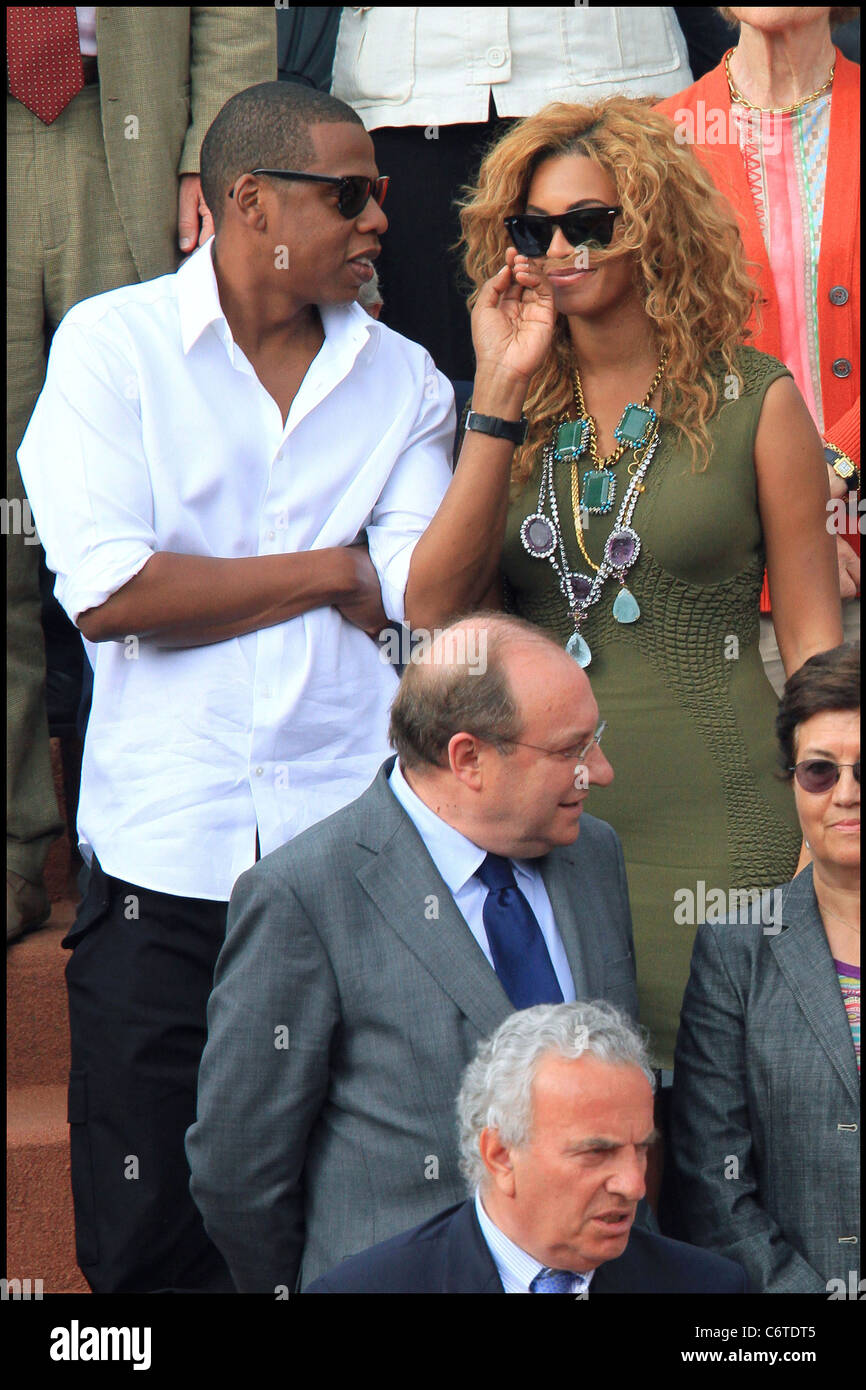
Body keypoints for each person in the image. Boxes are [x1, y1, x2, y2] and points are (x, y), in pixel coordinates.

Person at [16, 81, 553, 1293]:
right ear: (246, 201)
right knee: (145, 1239)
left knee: (355, 1222)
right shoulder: (114, 347)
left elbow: (428, 600)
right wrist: (331, 568)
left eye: (377, 195)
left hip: (344, 868)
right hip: (164, 866)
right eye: (350, 194)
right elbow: (109, 593)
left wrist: (499, 398)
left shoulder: (408, 379)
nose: (379, 218)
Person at [457, 95, 844, 1070]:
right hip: (550, 834)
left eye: (590, 223)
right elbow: (430, 614)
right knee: (584, 1143)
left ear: (653, 228)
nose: (561, 248)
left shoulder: (754, 399)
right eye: (533, 228)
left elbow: (812, 650)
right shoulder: (507, 414)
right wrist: (495, 399)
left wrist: (819, 844)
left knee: (728, 1143)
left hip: (730, 828)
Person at [186, 614, 640, 1292]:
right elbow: (238, 1167)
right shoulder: (305, 895)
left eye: (594, 741)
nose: (598, 771)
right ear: (468, 759)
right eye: (571, 750)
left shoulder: (592, 855)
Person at [6, 5, 277, 944]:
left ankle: (138, 860)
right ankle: (10, 854)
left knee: (155, 521)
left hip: (133, 129)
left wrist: (218, 148)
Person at [656, 5, 860, 697]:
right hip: (732, 579)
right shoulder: (657, 141)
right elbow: (653, 357)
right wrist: (792, 526)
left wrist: (831, 471)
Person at [330, 6, 693, 380]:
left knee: (659, 335)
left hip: (611, 69)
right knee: (434, 382)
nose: (556, 249)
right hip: (410, 96)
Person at [306, 1000, 747, 1294]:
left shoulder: (708, 1288)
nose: (633, 1185)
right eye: (597, 1152)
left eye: (641, 1149)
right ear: (500, 1155)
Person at [667, 643, 859, 1293]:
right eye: (820, 771)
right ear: (792, 781)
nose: (847, 794)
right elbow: (711, 1187)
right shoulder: (735, 949)